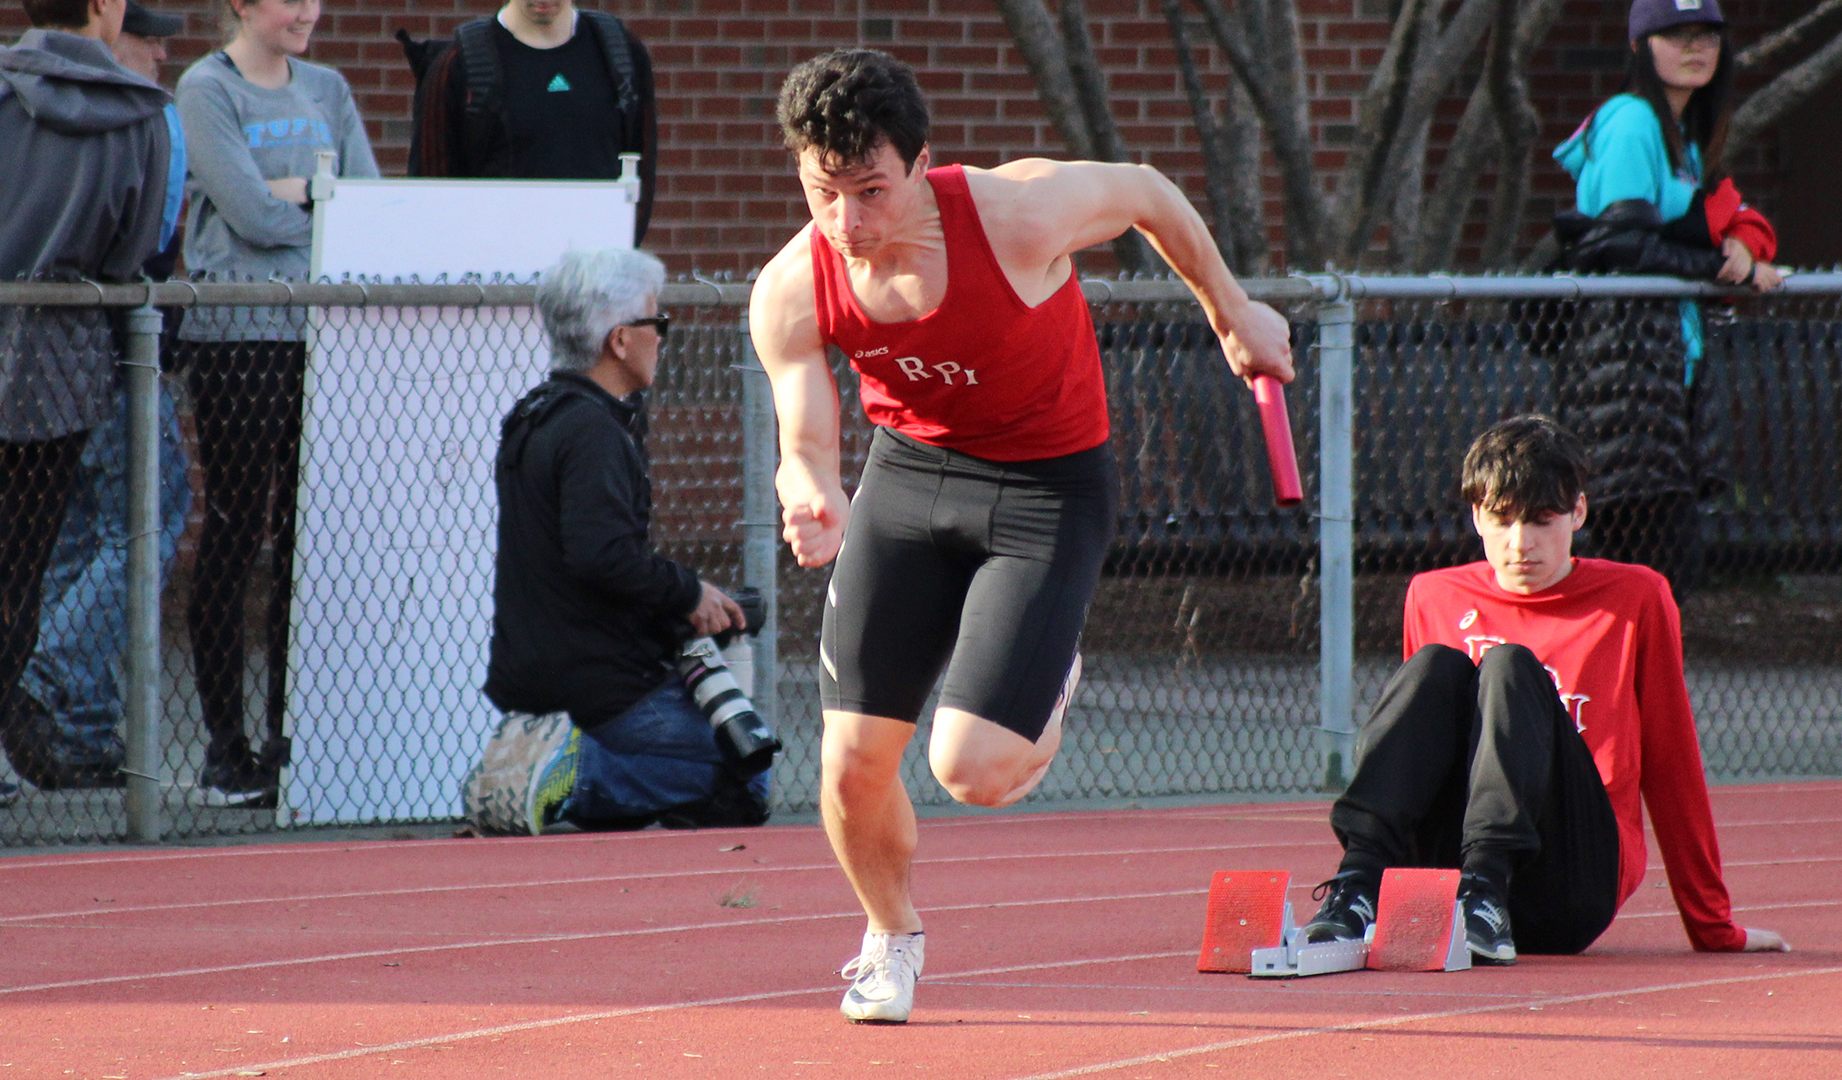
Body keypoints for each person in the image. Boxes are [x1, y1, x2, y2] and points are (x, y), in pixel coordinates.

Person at [747, 49, 1295, 1023]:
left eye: (872, 192)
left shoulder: (1014, 214)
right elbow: (803, 433)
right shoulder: (792, 286)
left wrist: (1232, 309)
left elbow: (1147, 192)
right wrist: (810, 490)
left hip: (1047, 486)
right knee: (848, 766)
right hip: (911, 483)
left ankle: (1051, 671)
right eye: (825, 193)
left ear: (921, 164)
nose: (849, 223)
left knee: (974, 772)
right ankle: (891, 936)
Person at [1298, 415, 1789, 966]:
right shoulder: (1433, 595)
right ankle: (1358, 886)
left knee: (1508, 666)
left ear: (1578, 512)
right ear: (1476, 515)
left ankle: (1487, 890)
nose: (1520, 544)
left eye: (1541, 521)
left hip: (1571, 873)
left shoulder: (1636, 598)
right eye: (1502, 520)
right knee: (1436, 667)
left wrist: (1712, 925)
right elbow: (1420, 756)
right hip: (1448, 870)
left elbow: (1672, 764)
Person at [484, 249, 771, 833]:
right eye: (655, 323)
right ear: (619, 340)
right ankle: (580, 776)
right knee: (750, 770)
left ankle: (565, 773)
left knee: (708, 767)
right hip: (598, 684)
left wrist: (682, 603)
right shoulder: (593, 430)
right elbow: (601, 556)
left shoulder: (534, 414)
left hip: (533, 671)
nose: (662, 337)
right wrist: (688, 593)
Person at [174, 0, 377, 808]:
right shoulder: (207, 89)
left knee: (308, 542)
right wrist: (309, 201)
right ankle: (228, 748)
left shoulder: (327, 87)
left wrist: (298, 194)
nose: (304, 11)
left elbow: (366, 202)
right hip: (238, 339)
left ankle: (298, 741)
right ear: (241, 7)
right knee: (235, 528)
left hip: (320, 339)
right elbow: (251, 216)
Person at [2, 0, 194, 795]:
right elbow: (138, 247)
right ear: (104, 7)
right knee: (23, 567)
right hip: (65, 363)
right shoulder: (142, 113)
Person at [1547, 0, 1779, 604]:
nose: (1695, 47)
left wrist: (1742, 248)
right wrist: (1717, 268)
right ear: (1639, 47)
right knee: (1643, 578)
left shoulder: (1685, 138)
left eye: (1707, 34)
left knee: (1657, 588)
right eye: (1675, 35)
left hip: (1666, 374)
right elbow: (1620, 244)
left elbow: (1729, 213)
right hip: (1621, 372)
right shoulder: (1631, 121)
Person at [405, 0, 657, 243]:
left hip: (599, 267)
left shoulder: (622, 52)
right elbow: (431, 190)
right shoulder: (458, 64)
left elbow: (641, 164)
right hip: (499, 268)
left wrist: (620, 248)